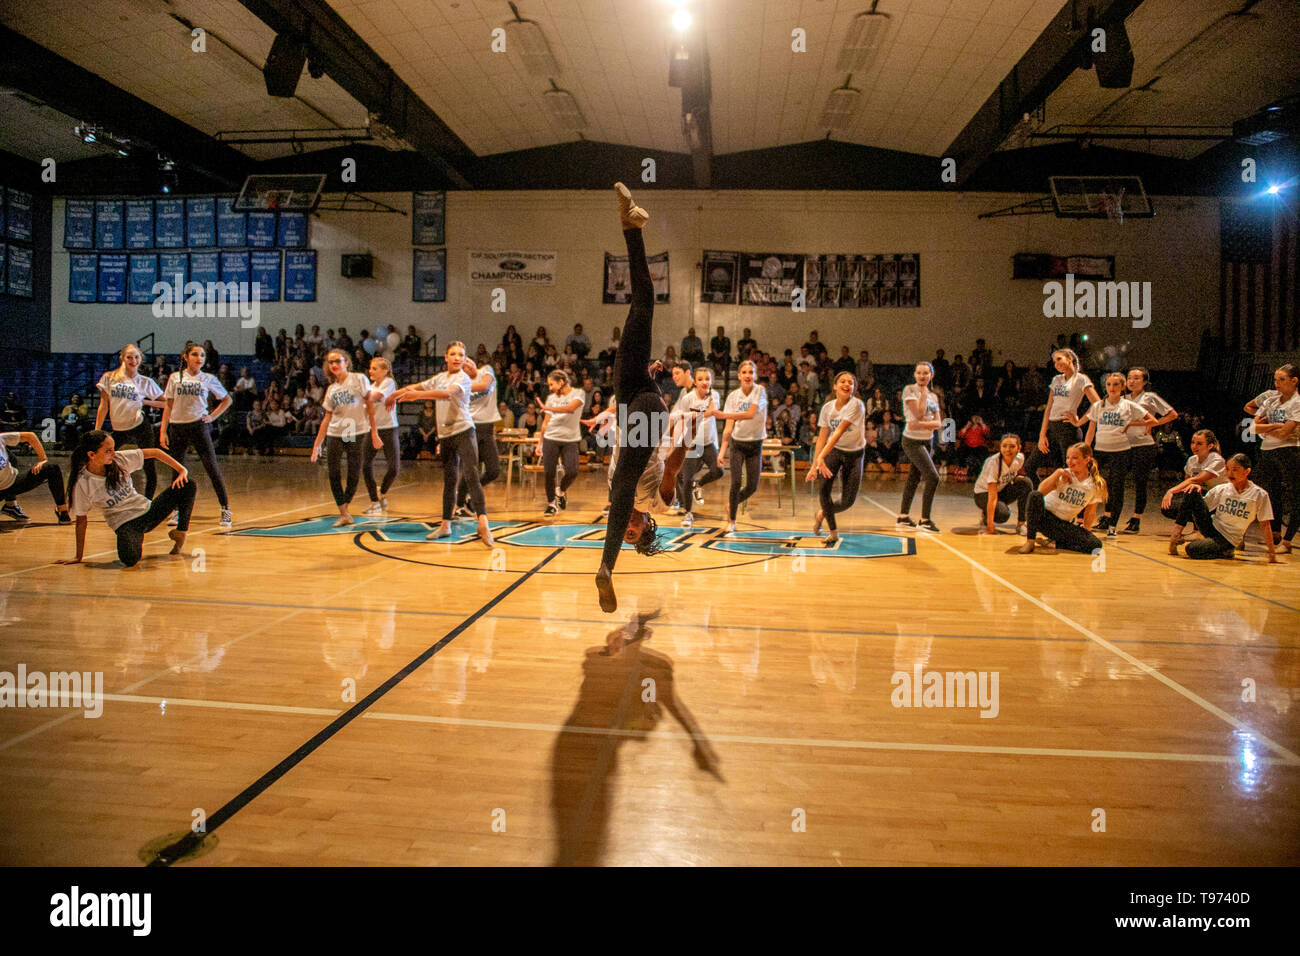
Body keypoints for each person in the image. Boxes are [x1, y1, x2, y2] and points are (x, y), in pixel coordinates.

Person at [595, 184, 692, 613]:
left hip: (629, 396)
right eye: (636, 530)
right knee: (645, 304)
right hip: (651, 409)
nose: (633, 525)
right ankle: (630, 227)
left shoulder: (615, 492)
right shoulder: (660, 504)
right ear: (648, 523)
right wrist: (684, 440)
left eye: (627, 531)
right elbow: (671, 467)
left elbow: (615, 447)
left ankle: (606, 568)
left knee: (640, 308)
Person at [387, 343, 493, 547]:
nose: (456, 357)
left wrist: (416, 396)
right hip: (445, 435)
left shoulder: (462, 378)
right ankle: (445, 525)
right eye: (452, 354)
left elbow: (447, 394)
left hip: (463, 431)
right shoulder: (439, 378)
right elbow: (416, 386)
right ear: (445, 357)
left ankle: (483, 523)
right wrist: (393, 394)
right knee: (450, 480)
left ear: (465, 359)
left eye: (461, 354)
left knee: (471, 476)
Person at [59, 430, 194, 568]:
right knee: (129, 559)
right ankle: (135, 538)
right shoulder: (83, 482)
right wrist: (78, 556)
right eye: (108, 451)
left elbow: (155, 452)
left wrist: (181, 470)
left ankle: (180, 532)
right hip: (125, 524)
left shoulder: (118, 459)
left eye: (113, 449)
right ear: (92, 455)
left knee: (188, 485)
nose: (113, 453)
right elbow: (81, 520)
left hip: (148, 511)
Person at [160, 342, 233, 529]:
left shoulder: (208, 378)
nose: (199, 358)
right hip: (177, 427)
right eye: (195, 354)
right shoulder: (175, 378)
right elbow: (168, 405)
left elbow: (227, 399)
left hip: (198, 426)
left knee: (212, 468)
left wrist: (212, 416)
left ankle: (225, 508)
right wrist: (163, 431)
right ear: (186, 356)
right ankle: (176, 510)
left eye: (202, 355)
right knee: (177, 471)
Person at [310, 350, 379, 527]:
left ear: (346, 362)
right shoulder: (332, 389)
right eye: (330, 362)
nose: (334, 365)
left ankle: (345, 508)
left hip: (354, 431)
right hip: (336, 432)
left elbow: (370, 404)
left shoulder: (359, 379)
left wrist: (374, 431)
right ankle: (343, 512)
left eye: (337, 361)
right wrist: (317, 444)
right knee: (333, 473)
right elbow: (327, 417)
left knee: (353, 473)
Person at [1082, 372, 1156, 537]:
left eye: (1116, 385)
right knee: (1090, 484)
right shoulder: (1099, 405)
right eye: (1109, 385)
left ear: (1122, 387)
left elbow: (1152, 420)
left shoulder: (1128, 405)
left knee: (1116, 487)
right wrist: (1085, 450)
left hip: (1120, 451)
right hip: (1100, 450)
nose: (1112, 388)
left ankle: (1112, 525)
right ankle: (1082, 522)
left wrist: (1131, 424)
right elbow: (1091, 429)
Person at [1169, 453, 1276, 562]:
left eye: (1235, 470)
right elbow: (1201, 507)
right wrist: (1196, 489)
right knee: (1192, 490)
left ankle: (1225, 551)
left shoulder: (1259, 494)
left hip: (1228, 539)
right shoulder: (1223, 489)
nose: (1230, 474)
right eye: (1227, 469)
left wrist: (1272, 553)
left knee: (1191, 549)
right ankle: (1175, 536)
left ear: (1247, 471)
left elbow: (1265, 524)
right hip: (1212, 527)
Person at [94, 345, 167, 498]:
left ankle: (148, 503)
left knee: (149, 465)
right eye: (129, 357)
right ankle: (110, 495)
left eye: (136, 357)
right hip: (119, 428)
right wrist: (97, 430)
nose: (133, 360)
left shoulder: (145, 382)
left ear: (140, 360)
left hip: (140, 426)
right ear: (122, 358)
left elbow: (167, 404)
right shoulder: (109, 377)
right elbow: (103, 405)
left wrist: (146, 402)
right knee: (104, 460)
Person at [1244, 363, 1299, 553]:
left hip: (1289, 451)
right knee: (1254, 488)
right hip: (1267, 450)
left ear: (1294, 381)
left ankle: (1287, 541)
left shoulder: (1297, 402)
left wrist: (1270, 427)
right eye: (1275, 379)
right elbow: (1253, 427)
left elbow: (1285, 434)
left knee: (1295, 496)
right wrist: (1275, 426)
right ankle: (1238, 531)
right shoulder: (1271, 400)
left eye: (1281, 380)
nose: (1277, 384)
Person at [808, 372, 867, 546]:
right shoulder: (827, 408)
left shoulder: (857, 405)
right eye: (842, 381)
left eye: (851, 382)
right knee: (824, 490)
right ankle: (833, 532)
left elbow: (838, 433)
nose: (847, 384)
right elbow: (823, 437)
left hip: (854, 454)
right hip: (834, 451)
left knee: (848, 501)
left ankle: (822, 514)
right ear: (835, 386)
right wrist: (814, 465)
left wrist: (821, 457)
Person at [1018, 443, 1106, 555]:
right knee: (1034, 495)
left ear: (1086, 460)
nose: (1070, 461)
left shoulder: (1095, 484)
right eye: (1068, 457)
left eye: (1075, 458)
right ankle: (1030, 541)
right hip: (1042, 517)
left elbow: (1090, 511)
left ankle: (1054, 543)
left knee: (1095, 545)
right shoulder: (1064, 474)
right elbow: (1040, 492)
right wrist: (1058, 473)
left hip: (1062, 525)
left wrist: (1085, 534)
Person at [1121, 367, 1179, 534]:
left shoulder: (1149, 397)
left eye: (1136, 378)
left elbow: (1172, 414)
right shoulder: (1122, 397)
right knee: (1116, 480)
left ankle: (1136, 518)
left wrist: (1153, 424)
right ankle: (1109, 516)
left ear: (1145, 382)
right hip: (1123, 444)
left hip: (1143, 444)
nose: (1132, 381)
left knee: (1140, 482)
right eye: (1129, 378)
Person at [1025, 348, 1100, 479]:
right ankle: (1042, 496)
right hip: (1051, 428)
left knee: (1069, 470)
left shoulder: (1081, 379)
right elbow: (1048, 408)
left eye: (1059, 359)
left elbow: (1098, 403)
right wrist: (1042, 435)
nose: (1056, 364)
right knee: (1029, 466)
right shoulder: (1056, 379)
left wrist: (1080, 421)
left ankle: (1068, 498)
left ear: (1070, 358)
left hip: (1067, 429)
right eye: (1054, 361)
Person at [715, 359, 767, 534]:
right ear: (738, 375)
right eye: (744, 372)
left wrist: (724, 414)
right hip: (738, 444)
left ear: (755, 375)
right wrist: (722, 452)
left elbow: (751, 414)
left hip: (755, 444)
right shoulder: (733, 396)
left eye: (751, 372)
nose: (747, 375)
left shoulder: (760, 391)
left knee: (752, 486)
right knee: (736, 482)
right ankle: (731, 521)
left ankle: (731, 503)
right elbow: (728, 427)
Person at [897, 362, 943, 533]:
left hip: (927, 441)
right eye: (919, 373)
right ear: (914, 375)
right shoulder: (910, 390)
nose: (922, 376)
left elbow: (937, 422)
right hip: (911, 441)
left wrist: (920, 424)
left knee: (914, 477)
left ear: (932, 375)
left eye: (926, 373)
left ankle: (903, 517)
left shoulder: (934, 397)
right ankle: (925, 520)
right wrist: (923, 393)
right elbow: (917, 414)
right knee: (933, 477)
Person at [675, 366, 723, 529]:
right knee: (687, 479)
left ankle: (699, 485)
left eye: (707, 379)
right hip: (692, 443)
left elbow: (713, 411)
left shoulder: (714, 395)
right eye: (701, 379)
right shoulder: (688, 398)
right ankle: (688, 513)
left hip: (708, 443)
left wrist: (696, 414)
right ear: (694, 382)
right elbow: (681, 418)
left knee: (719, 471)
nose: (704, 382)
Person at [535, 369, 585, 517]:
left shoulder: (578, 393)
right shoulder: (551, 398)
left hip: (570, 439)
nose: (550, 388)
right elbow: (545, 422)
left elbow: (570, 409)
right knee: (549, 473)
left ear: (561, 382)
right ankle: (551, 504)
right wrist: (540, 443)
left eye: (552, 384)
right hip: (551, 437)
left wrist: (547, 408)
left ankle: (561, 491)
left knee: (572, 471)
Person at [0, 429, 69, 523]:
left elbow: (30, 436)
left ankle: (62, 511)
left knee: (52, 468)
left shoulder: (1, 438)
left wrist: (43, 459)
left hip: (12, 482)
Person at [1160, 429, 1226, 520]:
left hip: (1219, 501)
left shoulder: (1216, 460)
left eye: (1199, 444)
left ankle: (1198, 530)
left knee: (1196, 495)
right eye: (1193, 442)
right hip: (1202, 497)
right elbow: (1187, 482)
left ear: (1210, 446)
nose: (1194, 446)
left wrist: (1171, 491)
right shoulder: (1192, 460)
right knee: (1168, 507)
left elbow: (1196, 479)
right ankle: (1197, 526)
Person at [974, 434, 1031, 535]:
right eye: (1004, 446)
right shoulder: (994, 463)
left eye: (1012, 446)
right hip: (983, 494)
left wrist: (1016, 479)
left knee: (1026, 483)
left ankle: (1021, 524)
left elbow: (1015, 471)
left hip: (1001, 490)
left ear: (1019, 448)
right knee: (1002, 514)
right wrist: (990, 528)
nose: (1007, 450)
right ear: (1000, 447)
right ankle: (986, 516)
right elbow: (992, 497)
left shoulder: (1020, 458)